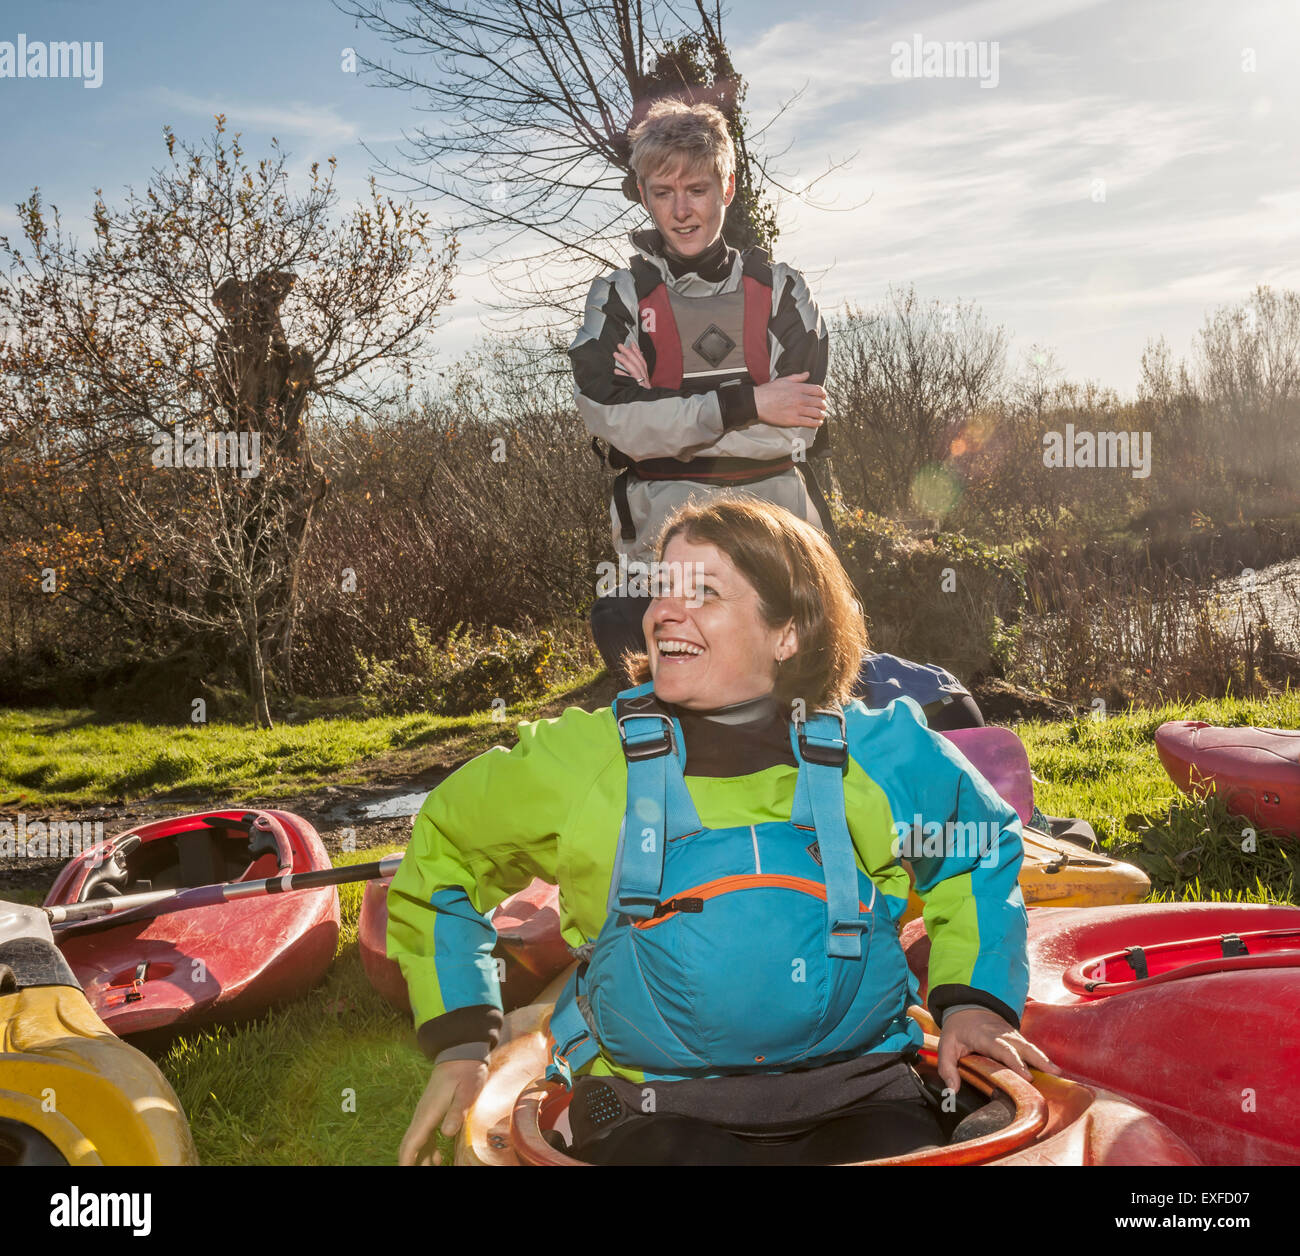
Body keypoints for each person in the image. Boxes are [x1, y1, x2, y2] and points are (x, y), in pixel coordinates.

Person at [389, 496, 1052, 1166]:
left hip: (865, 1090)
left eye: (702, 592)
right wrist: (460, 1040)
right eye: (661, 589)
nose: (663, 613)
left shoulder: (876, 752)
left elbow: (976, 846)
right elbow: (447, 849)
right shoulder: (584, 762)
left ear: (787, 632)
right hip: (651, 1108)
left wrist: (975, 1003)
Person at [570, 97, 985, 729]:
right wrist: (751, 401)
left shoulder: (783, 291)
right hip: (659, 556)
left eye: (697, 189)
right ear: (644, 196)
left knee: (823, 703)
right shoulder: (618, 298)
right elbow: (610, 418)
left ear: (727, 188)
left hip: (782, 543)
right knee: (643, 660)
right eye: (663, 192)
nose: (681, 210)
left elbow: (794, 428)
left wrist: (663, 413)